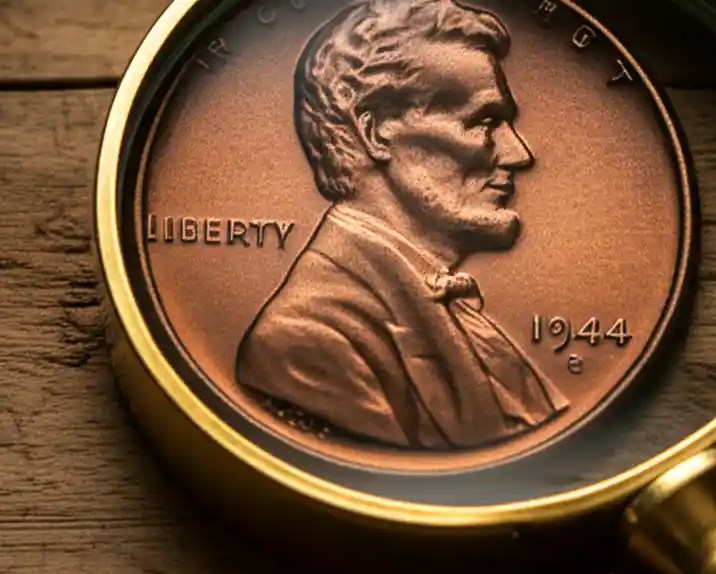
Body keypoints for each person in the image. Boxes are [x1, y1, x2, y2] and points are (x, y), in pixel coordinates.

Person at [236, 0, 568, 449]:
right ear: (374, 131)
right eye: (485, 121)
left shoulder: (450, 309)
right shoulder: (306, 343)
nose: (518, 154)